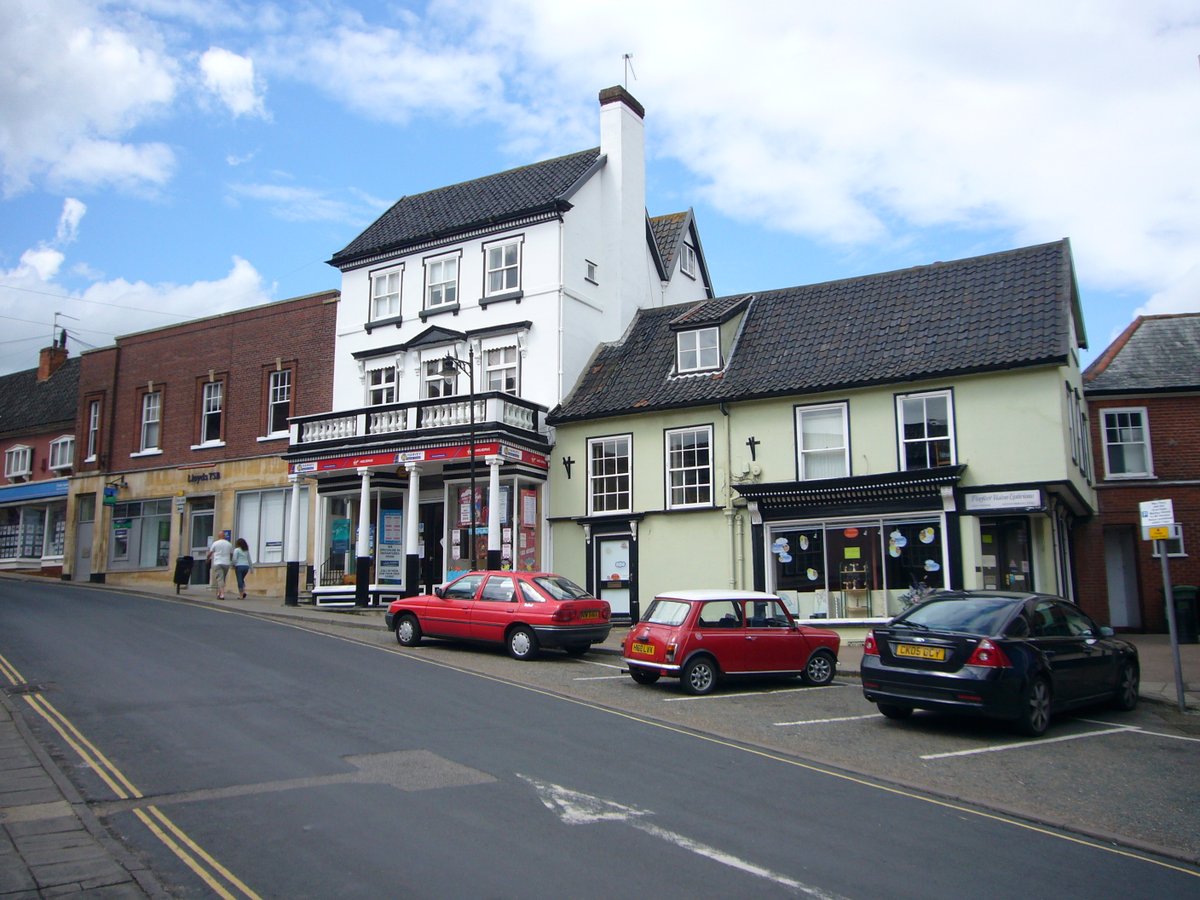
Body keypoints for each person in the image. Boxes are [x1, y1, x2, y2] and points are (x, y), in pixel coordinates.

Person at [207, 534, 233, 600]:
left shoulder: (215, 543)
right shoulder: (229, 544)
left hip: (218, 563)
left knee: (220, 579)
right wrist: (231, 561)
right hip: (226, 563)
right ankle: (219, 593)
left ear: (218, 536)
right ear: (224, 536)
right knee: (222, 579)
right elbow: (231, 554)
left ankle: (222, 594)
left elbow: (210, 553)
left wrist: (207, 558)